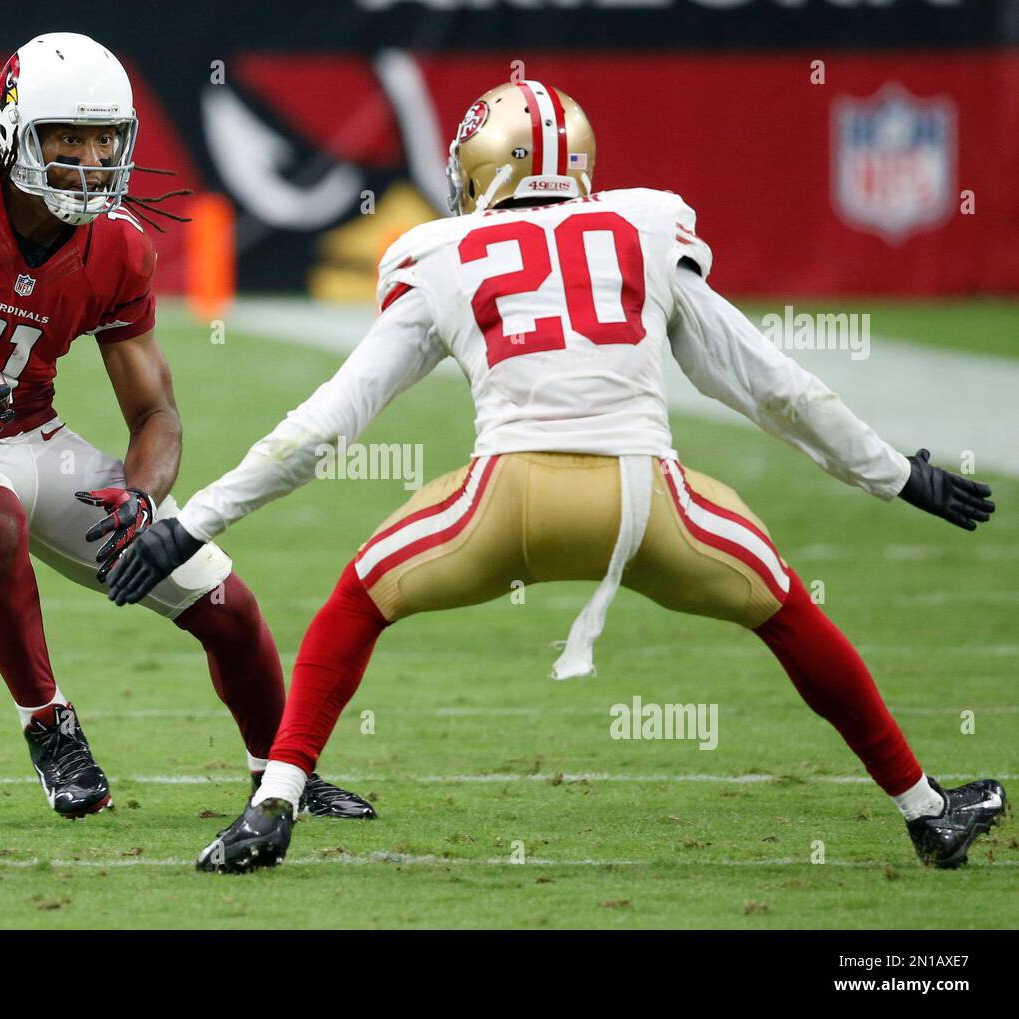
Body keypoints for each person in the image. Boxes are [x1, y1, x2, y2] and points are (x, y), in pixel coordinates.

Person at [106, 80, 1004, 871]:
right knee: (787, 612)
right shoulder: (646, 229)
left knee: (357, 600)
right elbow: (773, 385)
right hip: (652, 505)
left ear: (484, 168)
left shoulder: (443, 253)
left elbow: (325, 425)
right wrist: (896, 475)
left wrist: (194, 524)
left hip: (508, 503)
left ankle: (273, 806)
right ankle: (927, 813)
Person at [0, 32, 373, 822]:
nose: (89, 160)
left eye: (105, 140)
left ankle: (281, 777)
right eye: (66, 137)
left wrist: (142, 495)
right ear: (13, 130)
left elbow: (155, 412)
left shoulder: (119, 247)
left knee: (227, 605)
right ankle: (49, 726)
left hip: (37, 442)